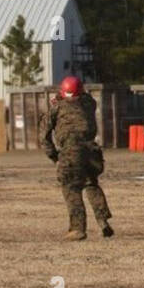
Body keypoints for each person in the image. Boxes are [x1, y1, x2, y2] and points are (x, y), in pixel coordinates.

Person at [39, 76, 113, 241]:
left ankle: (78, 228)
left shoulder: (56, 108)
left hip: (71, 151)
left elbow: (43, 135)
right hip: (92, 150)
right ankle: (102, 220)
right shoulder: (89, 104)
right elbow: (85, 98)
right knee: (91, 183)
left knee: (71, 187)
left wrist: (53, 155)